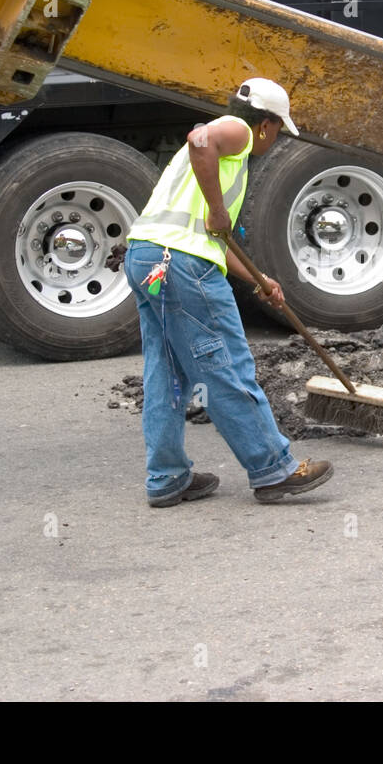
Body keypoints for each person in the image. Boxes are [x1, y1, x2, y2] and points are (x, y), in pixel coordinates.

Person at [111, 78, 334, 508]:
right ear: (267, 125)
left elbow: (212, 238)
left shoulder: (216, 162)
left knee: (168, 373)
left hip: (148, 260)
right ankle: (274, 468)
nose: (274, 141)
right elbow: (201, 140)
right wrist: (217, 208)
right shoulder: (240, 132)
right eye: (278, 132)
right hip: (180, 265)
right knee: (226, 365)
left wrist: (259, 280)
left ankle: (167, 477)